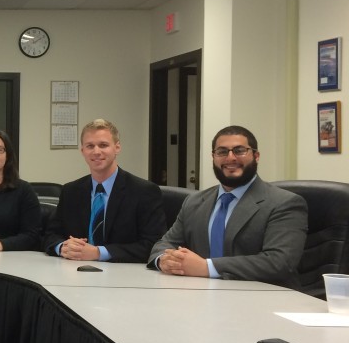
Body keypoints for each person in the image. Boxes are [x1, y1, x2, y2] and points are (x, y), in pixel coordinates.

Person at [148, 125, 308, 288]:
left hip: (263, 299)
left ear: (256, 156)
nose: (230, 158)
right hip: (199, 297)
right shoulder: (194, 202)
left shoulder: (284, 203)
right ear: (213, 157)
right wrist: (164, 260)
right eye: (222, 152)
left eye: (239, 150)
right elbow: (164, 244)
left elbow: (279, 262)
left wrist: (206, 267)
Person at [44, 118, 167, 263]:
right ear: (82, 151)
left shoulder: (144, 191)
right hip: (75, 273)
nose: (96, 152)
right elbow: (50, 234)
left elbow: (153, 245)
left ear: (117, 148)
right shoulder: (71, 191)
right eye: (90, 146)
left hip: (125, 277)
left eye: (103, 145)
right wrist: (62, 247)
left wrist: (98, 253)